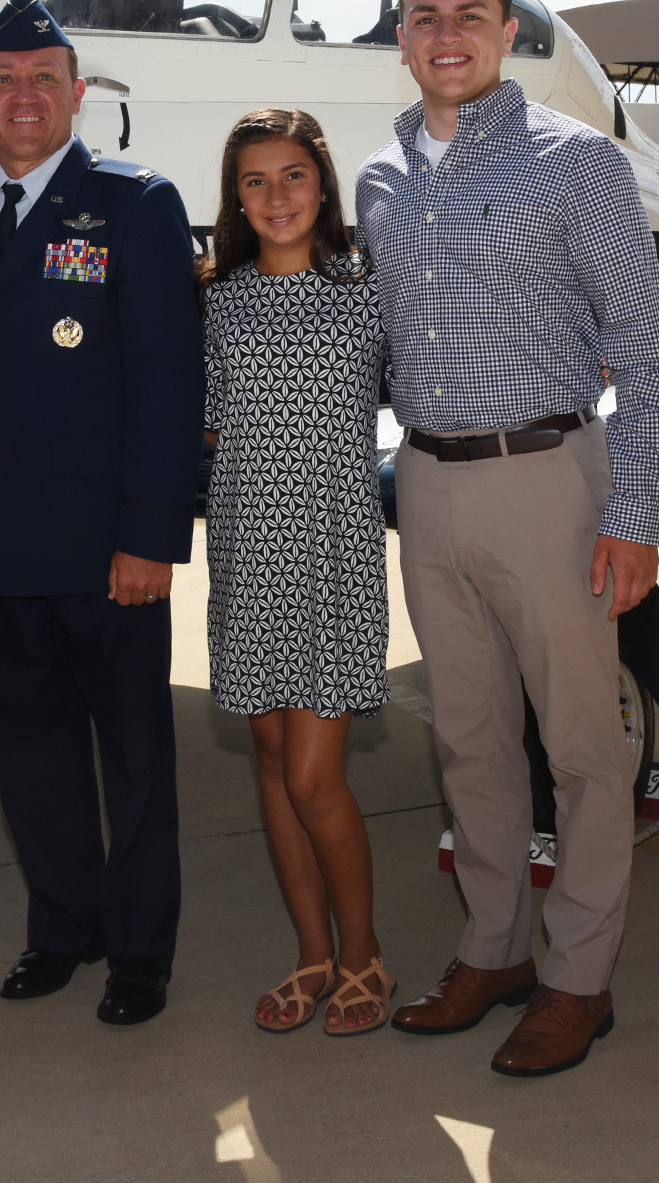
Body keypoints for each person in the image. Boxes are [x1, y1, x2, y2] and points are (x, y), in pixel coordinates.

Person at [355, 0, 659, 1077]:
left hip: (549, 475)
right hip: (429, 482)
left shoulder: (576, 164)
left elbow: (645, 352)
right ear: (398, 39)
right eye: (420, 17)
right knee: (468, 740)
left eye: (467, 15)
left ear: (504, 34)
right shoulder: (377, 174)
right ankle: (490, 948)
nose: (444, 34)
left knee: (583, 748)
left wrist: (633, 509)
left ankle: (577, 978)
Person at [0, 0, 204, 1027]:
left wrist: (149, 535)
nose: (24, 96)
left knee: (134, 754)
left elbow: (166, 384)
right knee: (35, 754)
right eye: (5, 81)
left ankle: (138, 951)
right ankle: (62, 927)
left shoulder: (133, 203)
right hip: (1, 541)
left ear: (78, 95)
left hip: (105, 548)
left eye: (44, 78)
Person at [201, 108, 395, 1037]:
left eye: (292, 177)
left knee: (317, 777)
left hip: (334, 553)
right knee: (274, 766)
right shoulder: (219, 301)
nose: (275, 198)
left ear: (323, 185)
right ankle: (312, 956)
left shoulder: (369, 293)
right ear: (235, 198)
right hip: (246, 553)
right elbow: (202, 424)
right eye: (254, 182)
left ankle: (365, 958)